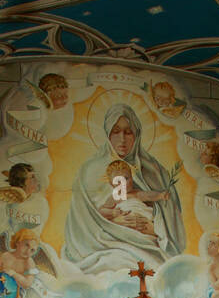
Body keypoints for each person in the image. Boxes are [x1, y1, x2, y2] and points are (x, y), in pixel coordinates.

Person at [64, 102, 185, 273]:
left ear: (137, 135)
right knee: (116, 264)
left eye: (128, 132)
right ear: (108, 133)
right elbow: (82, 222)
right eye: (116, 131)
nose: (122, 139)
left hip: (148, 241)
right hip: (104, 244)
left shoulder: (154, 171)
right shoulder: (89, 170)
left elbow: (170, 218)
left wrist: (155, 229)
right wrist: (115, 222)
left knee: (153, 270)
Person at [98, 159, 169, 238]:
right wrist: (112, 213)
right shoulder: (114, 197)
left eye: (126, 178)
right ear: (112, 184)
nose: (124, 184)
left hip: (142, 219)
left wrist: (160, 195)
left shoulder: (136, 193)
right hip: (126, 222)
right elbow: (101, 211)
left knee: (149, 228)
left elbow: (148, 195)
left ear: (132, 177)